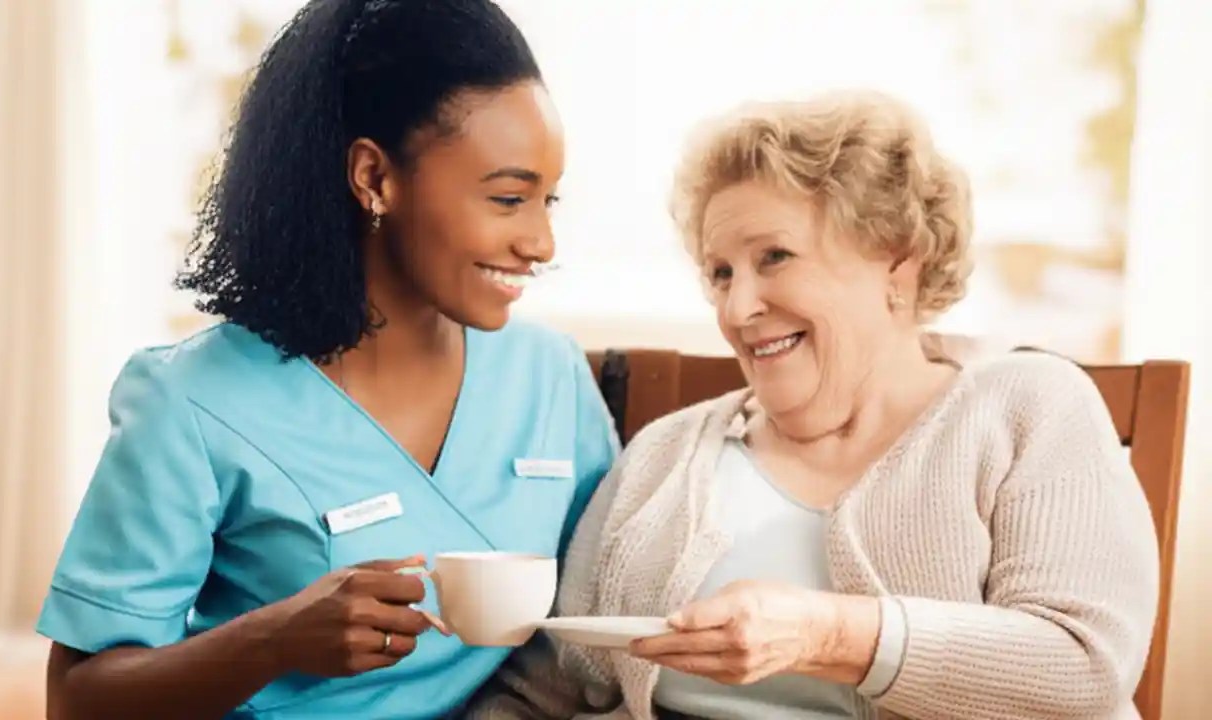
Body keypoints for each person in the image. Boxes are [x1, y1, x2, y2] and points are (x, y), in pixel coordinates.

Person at [467, 91, 1159, 719]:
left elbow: (1084, 666)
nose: (738, 309)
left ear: (898, 261)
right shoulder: (665, 456)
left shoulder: (1027, 406)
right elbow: (542, 691)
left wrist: (826, 635)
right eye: (720, 273)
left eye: (774, 258)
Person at [37, 1, 618, 718]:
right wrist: (273, 640)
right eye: (507, 198)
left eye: (547, 201)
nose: (541, 243)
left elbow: (606, 609)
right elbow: (74, 700)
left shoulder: (550, 377)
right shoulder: (191, 399)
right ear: (374, 177)